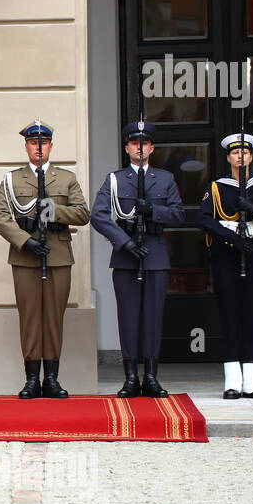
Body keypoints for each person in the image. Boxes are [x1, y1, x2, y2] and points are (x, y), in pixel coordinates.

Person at [0, 119, 90, 399]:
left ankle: (53, 379)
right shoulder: (12, 180)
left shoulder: (67, 178)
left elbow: (83, 214)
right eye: (33, 143)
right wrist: (26, 241)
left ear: (50, 146)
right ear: (26, 147)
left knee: (53, 319)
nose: (38, 147)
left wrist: (55, 210)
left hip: (57, 255)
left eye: (43, 143)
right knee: (31, 318)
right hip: (26, 257)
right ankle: (32, 379)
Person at [90, 121, 186, 397]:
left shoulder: (165, 179)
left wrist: (153, 209)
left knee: (153, 318)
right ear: (126, 148)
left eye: (144, 143)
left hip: (154, 254)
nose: (139, 148)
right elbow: (98, 215)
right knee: (129, 316)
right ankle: (131, 376)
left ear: (152, 148)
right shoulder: (115, 179)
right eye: (134, 143)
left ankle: (152, 376)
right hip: (126, 257)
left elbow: (178, 215)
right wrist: (125, 241)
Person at [197, 133, 253, 399]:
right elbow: (204, 219)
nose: (240, 157)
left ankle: (252, 381)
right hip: (227, 254)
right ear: (229, 157)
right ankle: (232, 379)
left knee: (252, 315)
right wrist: (232, 238)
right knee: (230, 315)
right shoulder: (217, 187)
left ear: (251, 157)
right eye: (235, 153)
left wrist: (252, 208)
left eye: (245, 153)